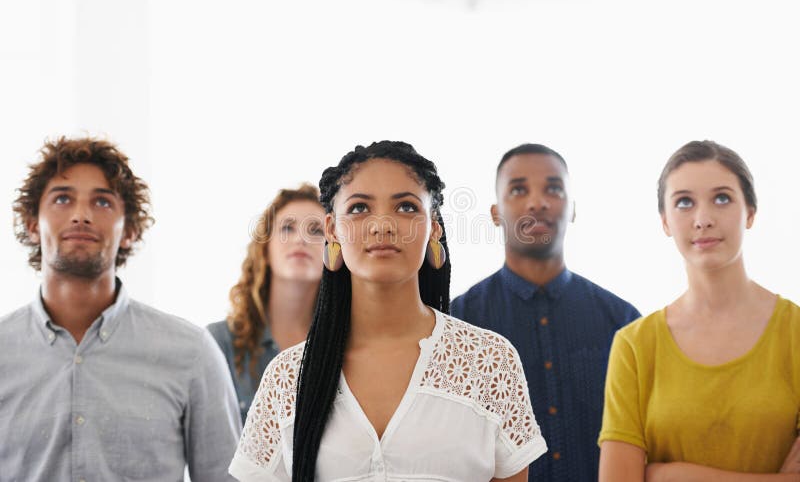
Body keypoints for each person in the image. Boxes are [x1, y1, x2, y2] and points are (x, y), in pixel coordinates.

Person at [229, 141, 547, 482]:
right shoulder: (286, 377)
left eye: (407, 207)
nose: (382, 224)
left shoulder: (491, 362)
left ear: (434, 228)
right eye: (359, 208)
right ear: (333, 230)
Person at [0, 136, 241, 481]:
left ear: (128, 230)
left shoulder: (191, 352)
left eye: (101, 202)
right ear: (32, 224)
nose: (81, 215)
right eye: (63, 198)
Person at [599, 140, 800, 481]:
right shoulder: (634, 345)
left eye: (722, 198)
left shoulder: (795, 332)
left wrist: (668, 475)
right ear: (665, 221)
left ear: (750, 212)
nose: (703, 219)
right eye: (684, 203)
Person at [451, 143, 640, 482]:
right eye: (519, 189)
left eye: (553, 188)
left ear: (572, 209)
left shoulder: (623, 324)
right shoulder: (457, 324)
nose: (537, 202)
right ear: (495, 213)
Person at [208, 184, 324, 423]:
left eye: (315, 230)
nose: (301, 239)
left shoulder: (348, 348)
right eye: (288, 228)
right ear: (265, 248)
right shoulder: (218, 343)